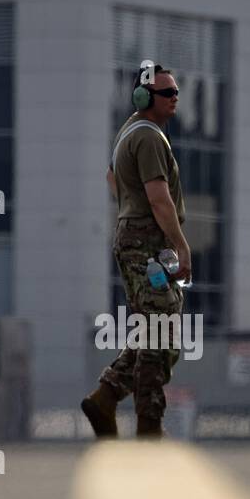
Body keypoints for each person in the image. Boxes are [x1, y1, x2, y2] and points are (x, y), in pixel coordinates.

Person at [81, 64, 192, 439]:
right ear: (144, 98)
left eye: (176, 91)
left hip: (140, 240)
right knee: (161, 331)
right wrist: (180, 245)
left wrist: (131, 209)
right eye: (167, 93)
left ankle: (107, 396)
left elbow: (112, 177)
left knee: (158, 329)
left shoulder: (130, 132)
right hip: (146, 243)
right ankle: (149, 424)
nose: (175, 97)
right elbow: (160, 200)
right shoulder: (147, 137)